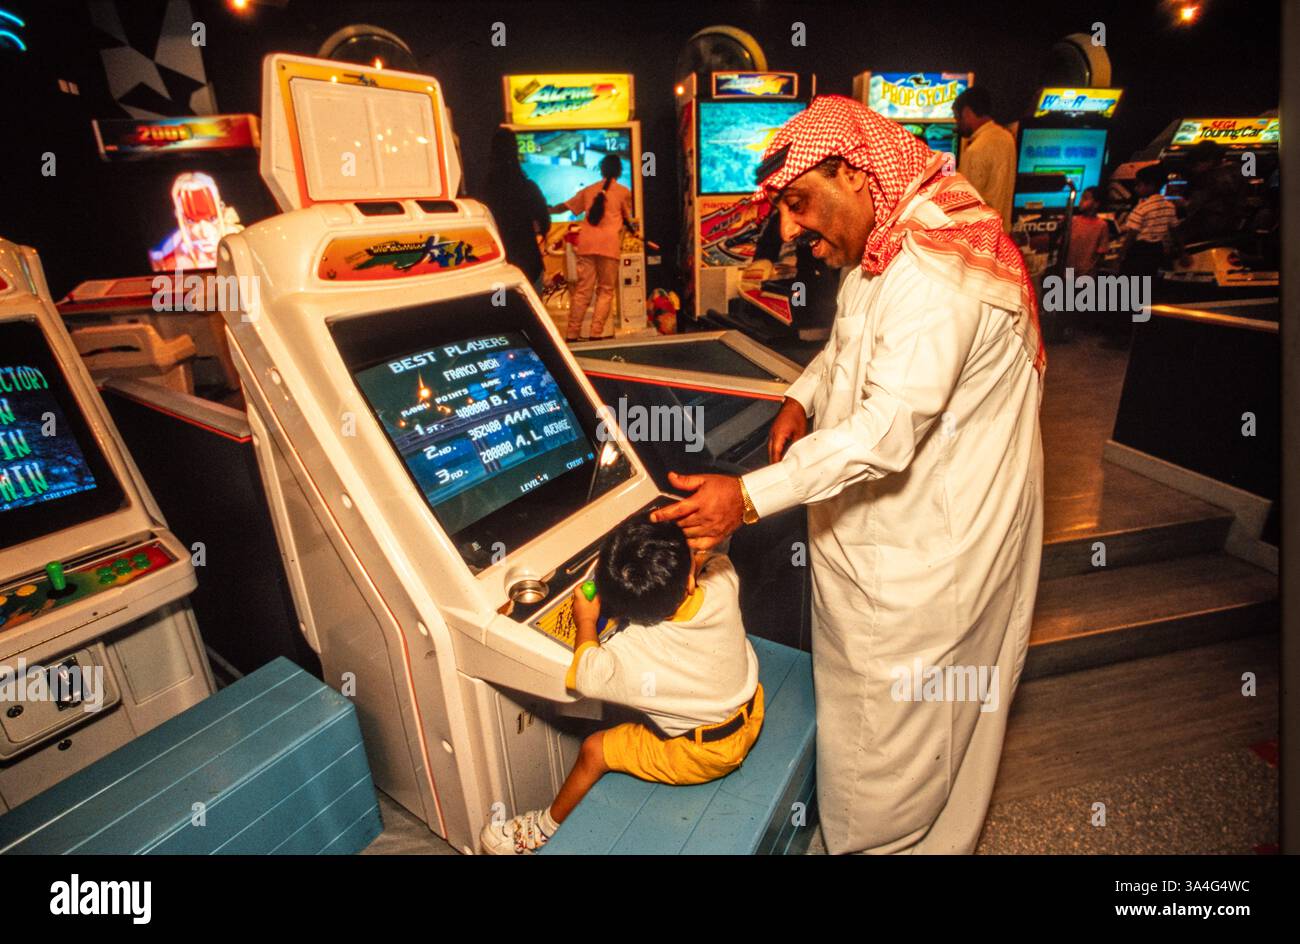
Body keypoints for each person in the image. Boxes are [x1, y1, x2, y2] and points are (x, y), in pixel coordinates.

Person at [650, 95, 1045, 855]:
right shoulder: (896, 237)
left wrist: (749, 498)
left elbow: (888, 429)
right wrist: (802, 396)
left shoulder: (932, 274)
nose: (791, 228)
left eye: (798, 202)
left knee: (883, 764)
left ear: (856, 173)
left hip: (923, 562)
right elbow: (850, 349)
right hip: (894, 541)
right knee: (920, 745)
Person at [479, 514, 763, 855]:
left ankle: (543, 828)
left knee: (595, 750)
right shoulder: (723, 582)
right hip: (750, 711)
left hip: (705, 754)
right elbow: (711, 556)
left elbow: (587, 675)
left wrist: (585, 619)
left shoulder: (633, 654)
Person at [551, 154, 635, 342]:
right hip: (609, 246)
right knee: (605, 291)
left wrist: (546, 209)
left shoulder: (589, 190)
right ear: (619, 171)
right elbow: (628, 219)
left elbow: (565, 206)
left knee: (582, 291)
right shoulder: (623, 191)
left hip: (587, 244)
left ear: (602, 169)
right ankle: (595, 334)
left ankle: (572, 334)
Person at [479, 128, 550, 290]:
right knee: (531, 312)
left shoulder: (485, 191)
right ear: (515, 151)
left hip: (498, 269)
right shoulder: (527, 187)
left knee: (501, 310)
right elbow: (544, 222)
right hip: (529, 266)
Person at [954, 86, 1018, 232]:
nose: (957, 125)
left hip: (980, 239)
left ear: (967, 113)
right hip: (1002, 235)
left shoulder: (976, 149)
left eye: (957, 118)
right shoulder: (1006, 137)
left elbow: (966, 204)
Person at [1119, 164, 1177, 280]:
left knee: (1132, 280)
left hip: (1140, 250)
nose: (1136, 188)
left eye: (1139, 185)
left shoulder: (1142, 208)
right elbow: (1174, 230)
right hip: (1157, 249)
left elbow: (1132, 234)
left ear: (1150, 186)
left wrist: (1122, 254)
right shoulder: (1169, 206)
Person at [1066, 186, 1110, 276]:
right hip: (1069, 269)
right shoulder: (1073, 220)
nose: (1081, 201)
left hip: (1087, 272)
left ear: (1096, 204)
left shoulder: (1102, 225)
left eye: (1085, 198)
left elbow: (1101, 251)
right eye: (1081, 197)